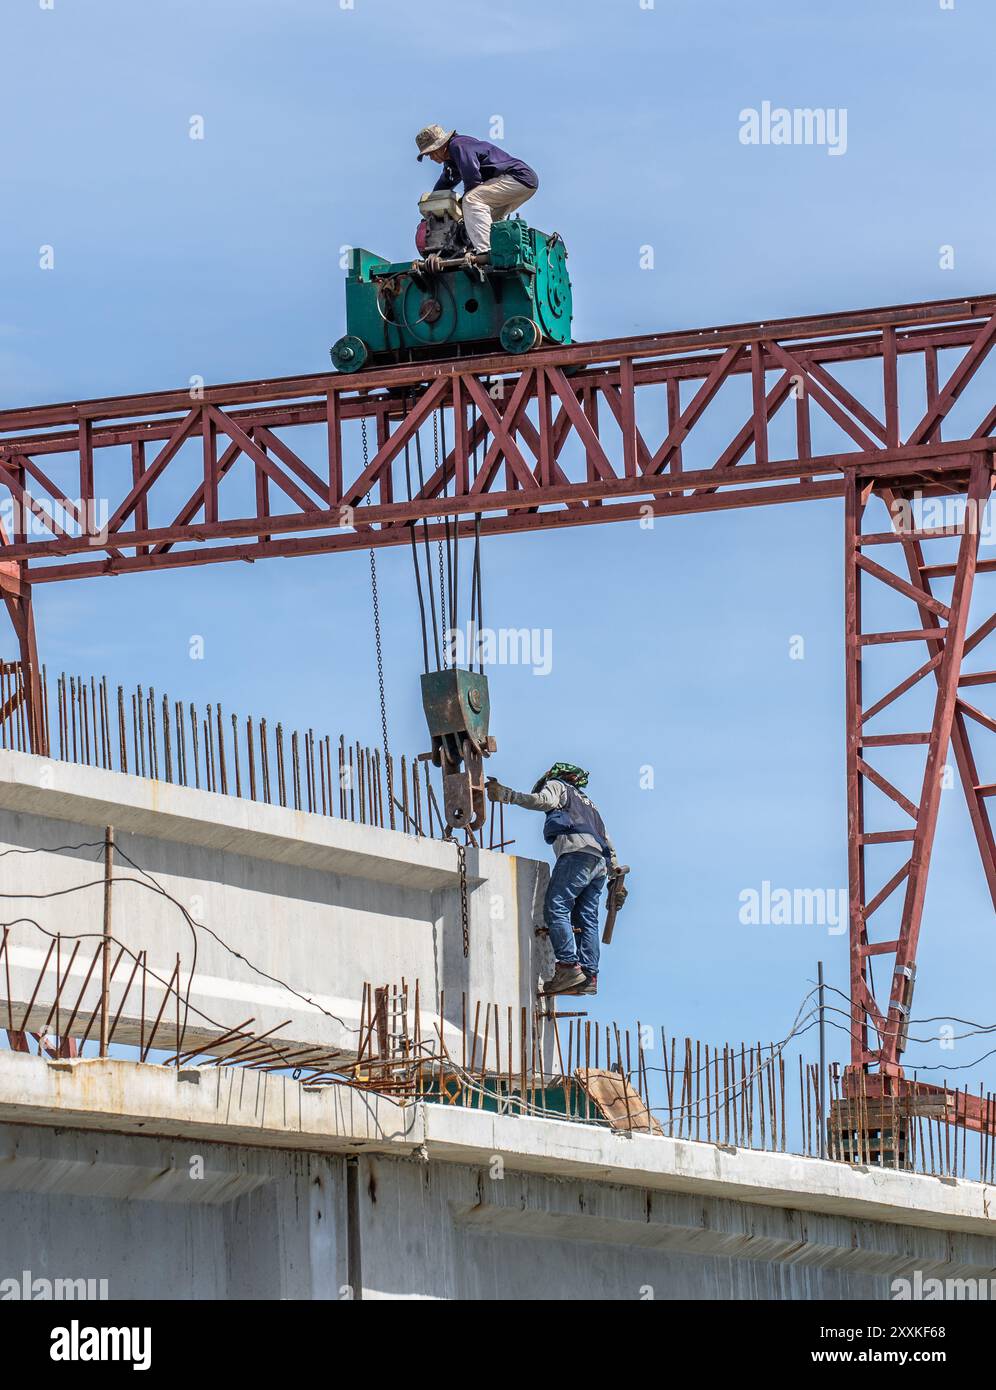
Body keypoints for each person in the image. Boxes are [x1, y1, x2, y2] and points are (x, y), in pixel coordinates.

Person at [486, 763, 618, 996]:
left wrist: (508, 795)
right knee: (587, 918)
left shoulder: (558, 786)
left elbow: (544, 801)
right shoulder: (590, 806)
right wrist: (614, 873)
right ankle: (589, 975)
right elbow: (607, 841)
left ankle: (568, 966)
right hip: (598, 864)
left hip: (576, 855)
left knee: (556, 907)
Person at [415, 124, 538, 255]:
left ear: (441, 145)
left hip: (518, 177)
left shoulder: (458, 146)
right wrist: (431, 209)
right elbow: (445, 183)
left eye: (431, 152)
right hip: (525, 183)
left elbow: (472, 179)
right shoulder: (452, 161)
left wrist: (463, 204)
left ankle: (485, 252)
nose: (432, 158)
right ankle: (498, 250)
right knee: (486, 218)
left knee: (471, 200)